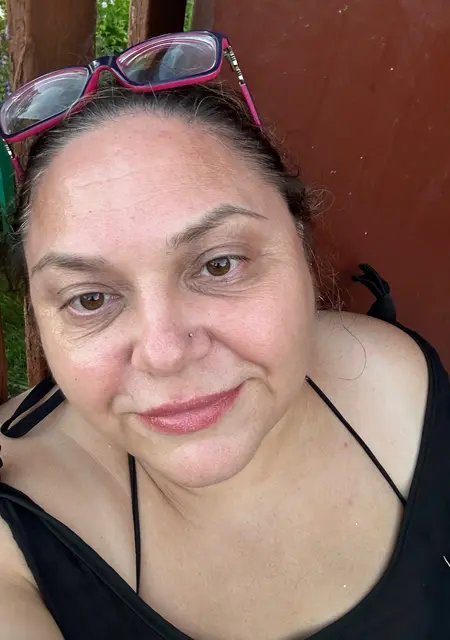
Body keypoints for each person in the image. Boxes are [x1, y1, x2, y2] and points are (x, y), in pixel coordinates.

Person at [0, 30, 448, 640]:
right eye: (90, 299)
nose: (165, 354)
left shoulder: (399, 382)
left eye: (218, 265)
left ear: (302, 248)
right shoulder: (16, 530)